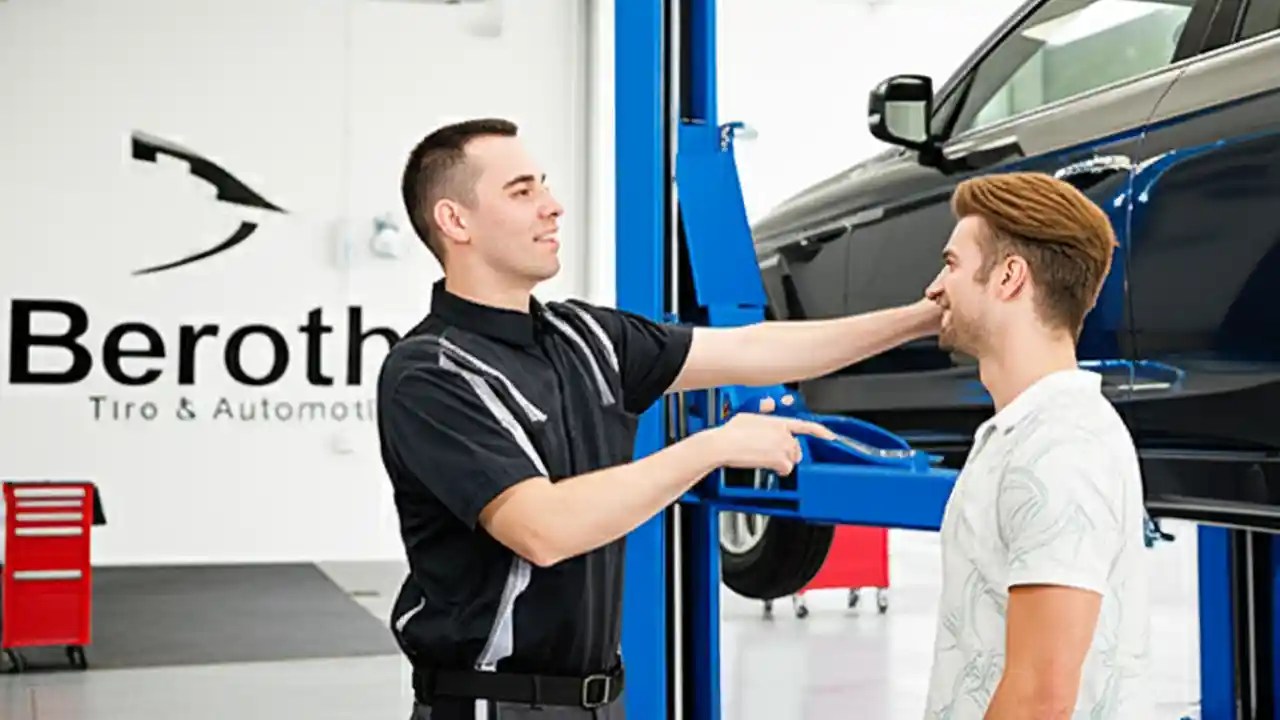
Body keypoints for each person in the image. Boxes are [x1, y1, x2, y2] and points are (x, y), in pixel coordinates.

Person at [376, 117, 942, 720]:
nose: (553, 206)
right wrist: (711, 448)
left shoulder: (585, 335)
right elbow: (543, 529)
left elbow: (754, 351)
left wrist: (923, 319)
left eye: (544, 184)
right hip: (491, 706)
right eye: (522, 191)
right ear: (454, 220)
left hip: (601, 702)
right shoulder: (430, 373)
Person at [920, 172, 1152, 719]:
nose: (933, 288)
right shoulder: (1023, 431)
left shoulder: (1063, 448)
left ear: (1008, 277)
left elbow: (1038, 699)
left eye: (951, 265)